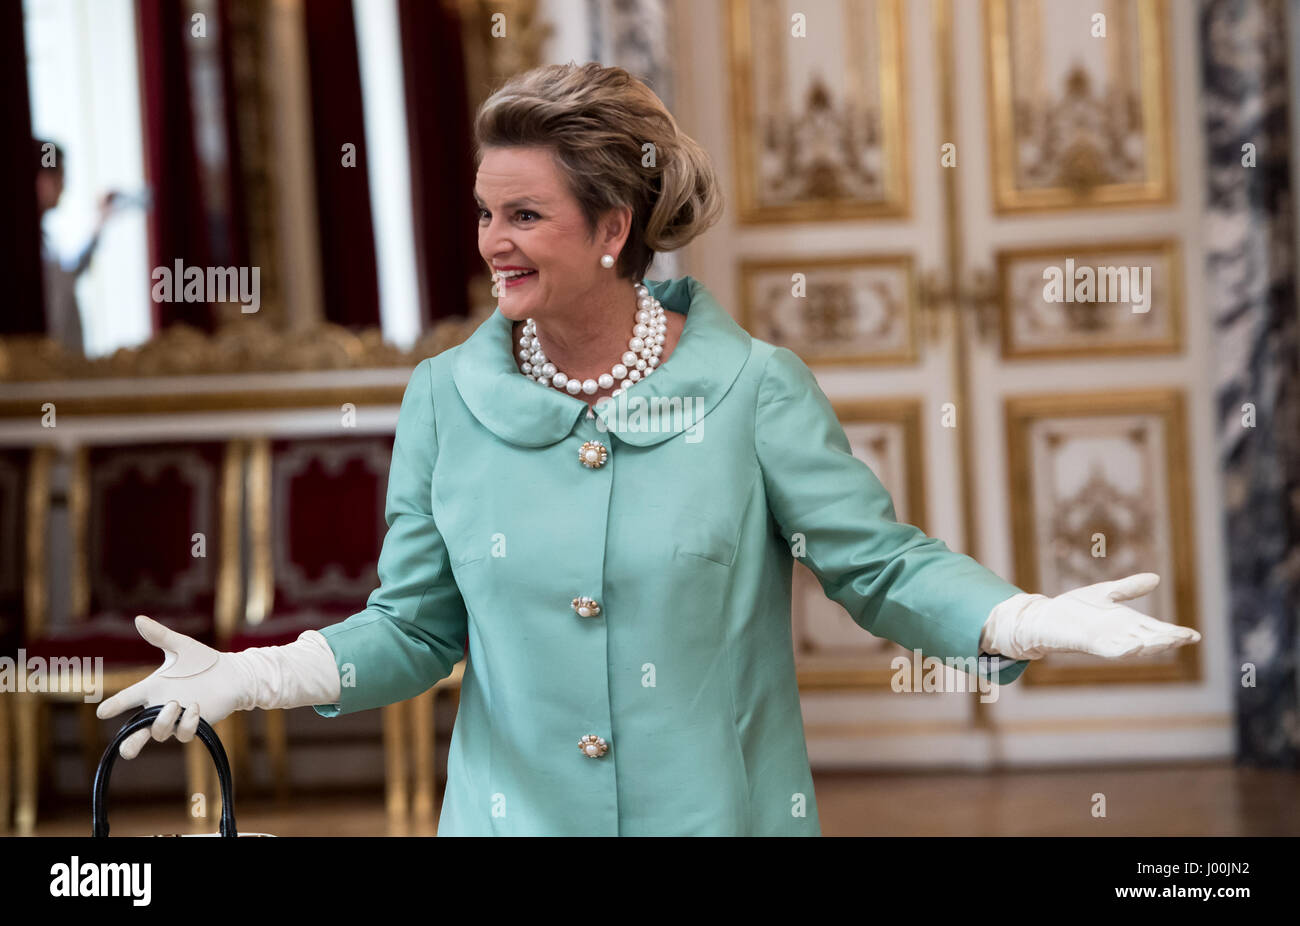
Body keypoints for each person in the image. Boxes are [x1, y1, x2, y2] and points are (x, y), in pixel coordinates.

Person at [96, 62, 1201, 836]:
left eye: (524, 214)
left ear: (613, 227)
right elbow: (415, 628)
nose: (492, 242)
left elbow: (879, 564)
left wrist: (1019, 616)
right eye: (484, 212)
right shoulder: (443, 399)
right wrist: (257, 674)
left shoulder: (751, 387)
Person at [34, 138, 120, 356]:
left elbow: (68, 275)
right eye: (58, 177)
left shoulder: (44, 242)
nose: (63, 186)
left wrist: (101, 221)